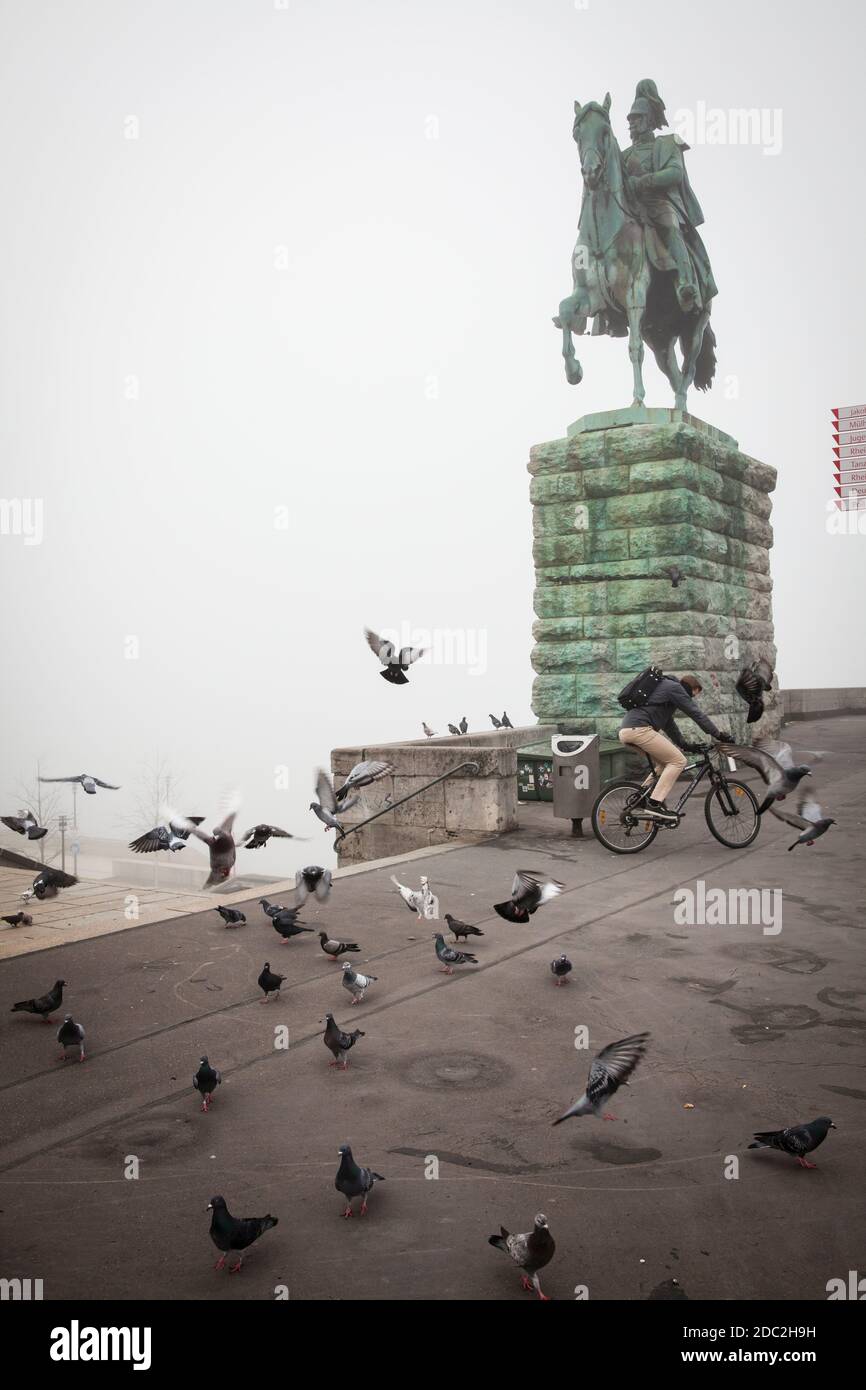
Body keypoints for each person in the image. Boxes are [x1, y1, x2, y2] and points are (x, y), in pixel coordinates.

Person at [619, 673, 732, 822]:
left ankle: (641, 798)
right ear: (692, 688)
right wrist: (719, 734)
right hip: (640, 729)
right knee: (678, 761)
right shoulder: (675, 688)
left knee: (664, 763)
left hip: (627, 731)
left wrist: (685, 745)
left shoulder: (664, 691)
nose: (692, 698)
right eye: (693, 694)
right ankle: (654, 803)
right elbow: (696, 713)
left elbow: (669, 725)